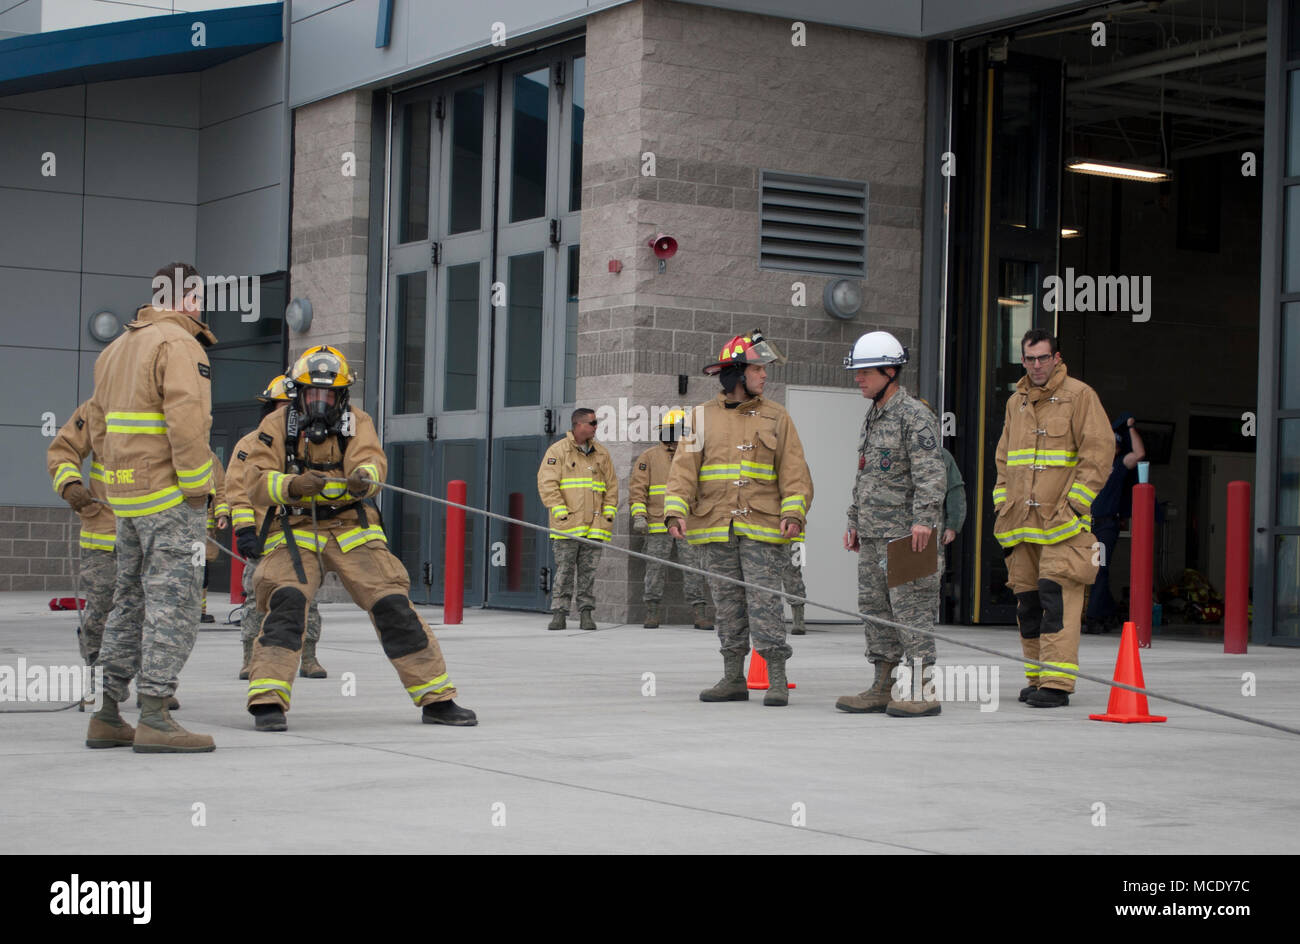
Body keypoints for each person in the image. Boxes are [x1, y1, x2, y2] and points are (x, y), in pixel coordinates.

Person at [242, 346, 476, 731]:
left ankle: (437, 699)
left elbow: (372, 462)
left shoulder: (357, 421)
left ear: (342, 395)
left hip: (352, 528)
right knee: (286, 603)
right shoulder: (274, 426)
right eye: (313, 394)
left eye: (329, 395)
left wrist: (364, 478)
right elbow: (255, 482)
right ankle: (267, 700)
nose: (321, 403)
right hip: (297, 530)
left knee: (393, 606)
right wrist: (292, 484)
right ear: (298, 393)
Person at [83, 261, 217, 752]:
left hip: (127, 498)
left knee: (129, 603)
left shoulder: (115, 349)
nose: (202, 306)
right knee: (174, 605)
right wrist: (199, 488)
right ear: (189, 297)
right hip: (169, 499)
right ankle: (157, 716)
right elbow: (187, 423)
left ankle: (108, 713)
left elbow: (96, 427)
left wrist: (116, 481)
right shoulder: (179, 344)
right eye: (199, 297)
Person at [664, 331, 813, 707]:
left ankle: (776, 677)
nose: (764, 375)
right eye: (757, 368)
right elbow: (683, 471)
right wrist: (674, 511)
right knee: (727, 604)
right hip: (715, 527)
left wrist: (794, 511)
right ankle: (733, 677)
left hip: (763, 528)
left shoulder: (777, 416)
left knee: (765, 604)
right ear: (736, 373)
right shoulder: (698, 418)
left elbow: (794, 472)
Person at [993, 329, 1112, 708]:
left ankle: (1058, 684)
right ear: (1023, 361)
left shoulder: (1080, 396)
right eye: (1030, 359)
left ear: (1057, 358)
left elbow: (1099, 452)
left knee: (1057, 602)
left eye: (1044, 357)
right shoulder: (1017, 403)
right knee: (1028, 604)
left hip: (1063, 526)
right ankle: (1037, 677)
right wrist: (1002, 503)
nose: (1037, 365)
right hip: (1021, 526)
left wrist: (1076, 504)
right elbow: (1003, 461)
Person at [834, 332, 947, 718]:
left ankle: (921, 688)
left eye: (865, 372)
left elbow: (932, 474)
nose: (858, 379)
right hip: (873, 535)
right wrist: (854, 521)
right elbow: (864, 476)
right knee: (875, 609)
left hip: (907, 537)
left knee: (911, 611)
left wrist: (924, 522)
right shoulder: (874, 415)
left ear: (889, 370)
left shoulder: (914, 416)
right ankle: (883, 684)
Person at [227, 375, 325, 679]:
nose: (285, 415)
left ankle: (308, 657)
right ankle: (250, 657)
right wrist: (244, 531)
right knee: (257, 598)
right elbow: (237, 490)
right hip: (263, 537)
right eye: (280, 407)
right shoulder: (249, 445)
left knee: (307, 597)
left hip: (303, 535)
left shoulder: (314, 443)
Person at [48, 400, 118, 696]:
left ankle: (153, 686)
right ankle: (97, 677)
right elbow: (64, 448)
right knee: (99, 612)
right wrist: (70, 484)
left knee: (154, 612)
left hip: (153, 530)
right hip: (104, 530)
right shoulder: (97, 407)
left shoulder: (169, 403)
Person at [629, 409, 711, 629]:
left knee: (694, 569)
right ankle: (652, 612)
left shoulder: (694, 456)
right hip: (657, 524)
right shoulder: (649, 457)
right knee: (654, 569)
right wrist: (639, 516)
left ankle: (699, 613)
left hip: (688, 523)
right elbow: (638, 490)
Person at [538, 408, 618, 631]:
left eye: (596, 423)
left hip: (595, 527)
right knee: (564, 572)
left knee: (588, 574)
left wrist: (609, 513)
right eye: (592, 423)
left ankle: (586, 614)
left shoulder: (601, 453)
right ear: (579, 424)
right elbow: (547, 484)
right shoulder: (558, 451)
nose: (595, 426)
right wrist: (559, 510)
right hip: (567, 526)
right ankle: (559, 613)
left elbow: (611, 487)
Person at [1084, 412, 1146, 634]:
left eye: (1115, 447)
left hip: (1105, 527)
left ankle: (1094, 616)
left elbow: (1139, 454)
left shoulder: (1119, 466)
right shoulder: (1092, 467)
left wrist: (1129, 428)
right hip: (1087, 526)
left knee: (1098, 569)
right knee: (1090, 570)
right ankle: (1108, 610)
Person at [199, 446, 229, 624]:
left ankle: (200, 611)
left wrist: (222, 514)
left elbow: (221, 488)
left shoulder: (210, 458)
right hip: (177, 526)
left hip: (204, 530)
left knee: (202, 571)